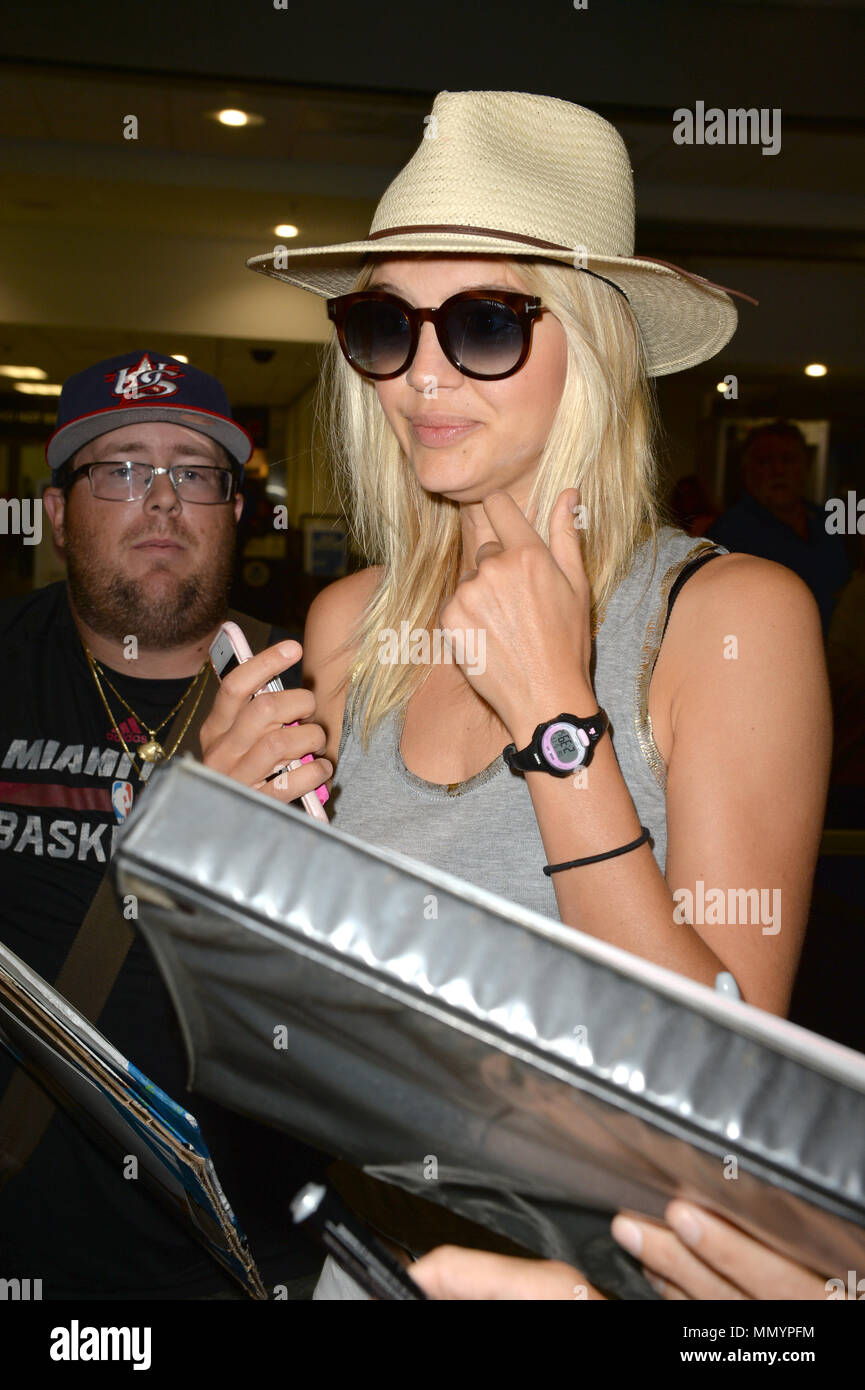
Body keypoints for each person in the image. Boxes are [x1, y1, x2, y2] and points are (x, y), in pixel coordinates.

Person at [201, 90, 832, 1296]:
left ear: (590, 340)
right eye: (384, 324)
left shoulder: (726, 620)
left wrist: (560, 725)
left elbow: (721, 1103)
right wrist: (238, 859)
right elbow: (300, 1039)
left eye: (484, 323)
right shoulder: (354, 625)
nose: (421, 376)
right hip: (359, 1264)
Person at [0, 351, 332, 1299]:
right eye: (121, 469)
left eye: (194, 473)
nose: (162, 501)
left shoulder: (313, 692)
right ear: (58, 514)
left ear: (233, 510)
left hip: (251, 1258)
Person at [707, 421, 849, 633]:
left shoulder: (830, 522)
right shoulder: (728, 533)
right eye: (765, 462)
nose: (778, 470)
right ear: (747, 470)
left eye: (789, 460)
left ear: (806, 467)